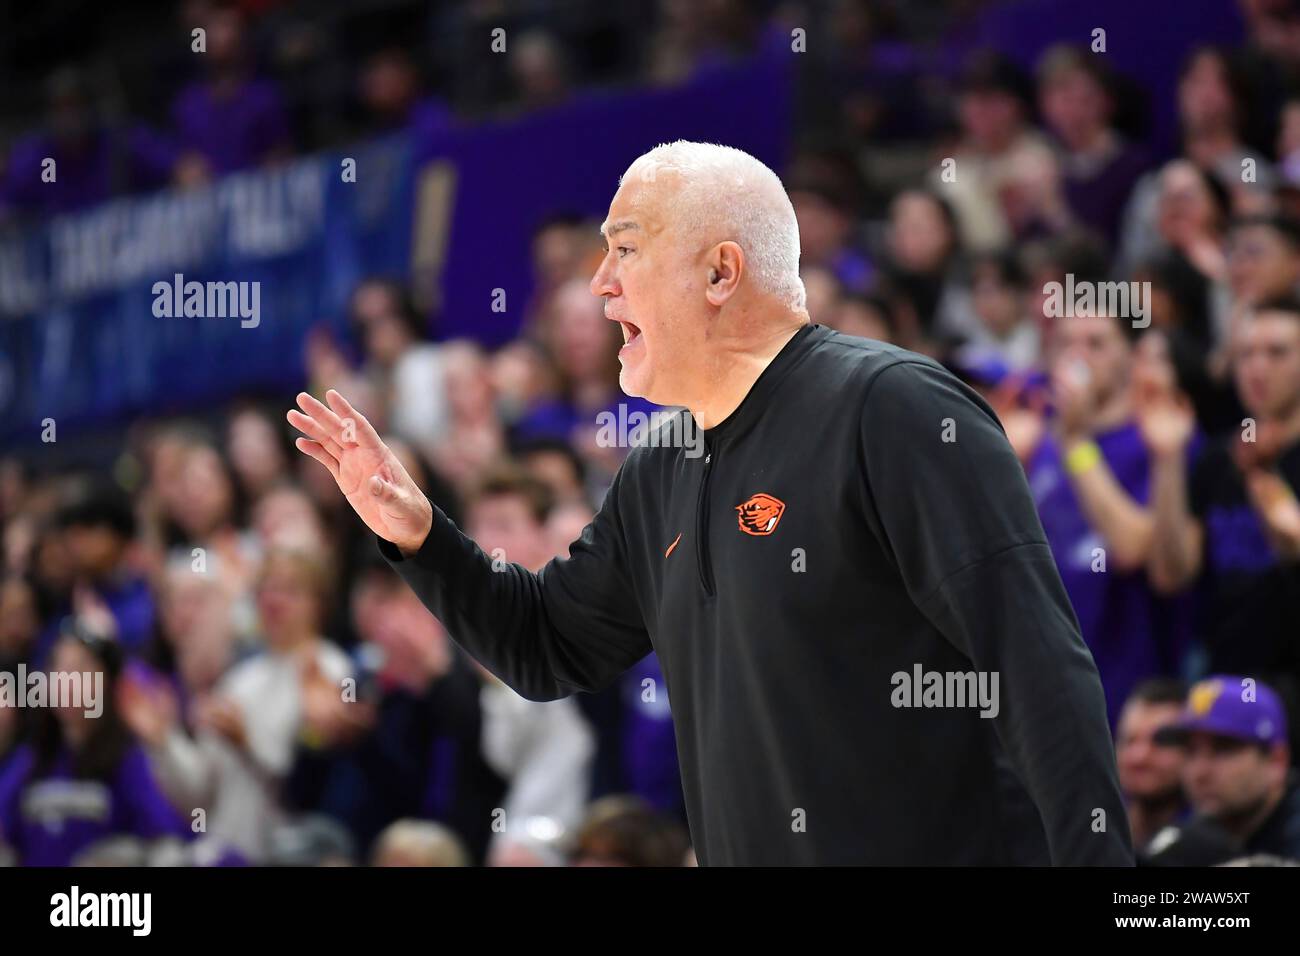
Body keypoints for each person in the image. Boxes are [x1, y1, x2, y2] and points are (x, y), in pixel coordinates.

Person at [289, 140, 1131, 865]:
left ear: (721, 270)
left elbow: (1036, 670)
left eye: (624, 250)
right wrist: (418, 533)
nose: (599, 285)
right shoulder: (661, 469)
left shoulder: (894, 409)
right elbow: (543, 646)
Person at [1156, 676, 1300, 860]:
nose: (1200, 772)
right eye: (1190, 751)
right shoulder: (1193, 833)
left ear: (1276, 761)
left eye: (1223, 750)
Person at [1115, 678, 1190, 854]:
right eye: (1129, 740)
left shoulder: (1212, 846)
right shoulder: (1097, 829)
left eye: (1160, 742)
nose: (1139, 757)